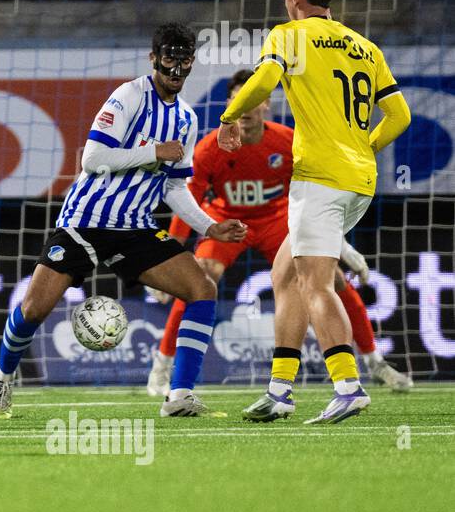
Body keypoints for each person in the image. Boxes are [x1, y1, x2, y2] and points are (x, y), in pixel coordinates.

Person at [0, 23, 246, 419]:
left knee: (202, 289)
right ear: (153, 58)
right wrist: (152, 150)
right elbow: (91, 160)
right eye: (169, 59)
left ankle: (179, 394)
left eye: (185, 60)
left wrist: (208, 226)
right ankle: (3, 379)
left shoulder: (186, 119)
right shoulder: (129, 96)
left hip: (136, 227)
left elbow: (175, 188)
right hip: (86, 221)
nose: (176, 69)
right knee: (33, 309)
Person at [221, 0, 411, 424]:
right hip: (360, 179)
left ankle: (348, 386)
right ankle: (279, 391)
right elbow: (400, 116)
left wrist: (228, 118)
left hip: (320, 180)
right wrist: (360, 147)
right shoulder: (365, 46)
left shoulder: (289, 35)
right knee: (286, 274)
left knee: (315, 284)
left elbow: (263, 79)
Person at [146, 68, 411, 396]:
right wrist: (170, 256)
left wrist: (340, 247)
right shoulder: (209, 149)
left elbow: (316, 200)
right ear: (228, 104)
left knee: (333, 280)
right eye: (236, 100)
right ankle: (162, 365)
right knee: (199, 278)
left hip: (277, 219)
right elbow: (188, 204)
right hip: (229, 220)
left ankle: (375, 362)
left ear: (266, 104)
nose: (244, 108)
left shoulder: (287, 142)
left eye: (252, 100)